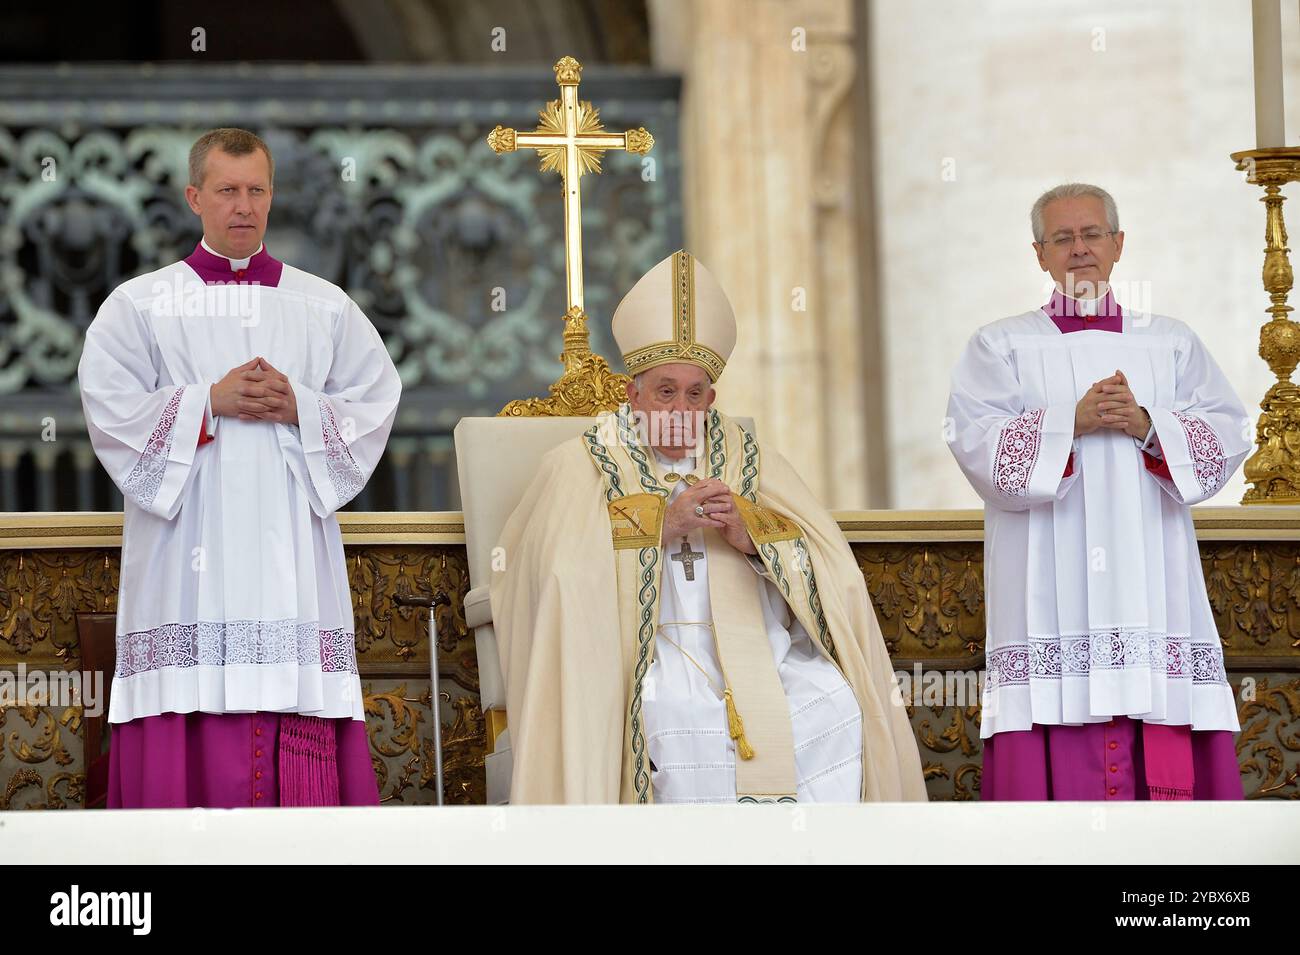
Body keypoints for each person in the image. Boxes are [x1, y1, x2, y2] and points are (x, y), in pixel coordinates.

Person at [491, 249, 926, 804]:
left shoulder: (748, 457)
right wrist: (658, 526)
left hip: (760, 653)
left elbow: (826, 563)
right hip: (646, 656)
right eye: (665, 391)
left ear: (711, 398)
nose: (680, 408)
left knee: (834, 704)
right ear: (633, 393)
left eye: (694, 393)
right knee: (679, 718)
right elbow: (553, 577)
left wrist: (755, 539)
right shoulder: (583, 462)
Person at [78, 127, 402, 808]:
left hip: (290, 560)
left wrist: (302, 408)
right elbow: (109, 408)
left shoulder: (324, 306)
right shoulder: (141, 305)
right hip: (184, 555)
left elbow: (374, 400)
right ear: (195, 196)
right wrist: (206, 403)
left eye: (256, 190)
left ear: (272, 196)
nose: (243, 205)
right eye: (227, 190)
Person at [945, 182, 1250, 800]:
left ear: (1118, 244)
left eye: (1090, 235)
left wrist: (1146, 424)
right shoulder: (1000, 344)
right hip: (1047, 574)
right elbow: (973, 442)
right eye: (1062, 238)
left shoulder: (1169, 341)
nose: (1078, 249)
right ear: (1039, 254)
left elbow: (1228, 431)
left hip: (1150, 567)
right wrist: (1070, 422)